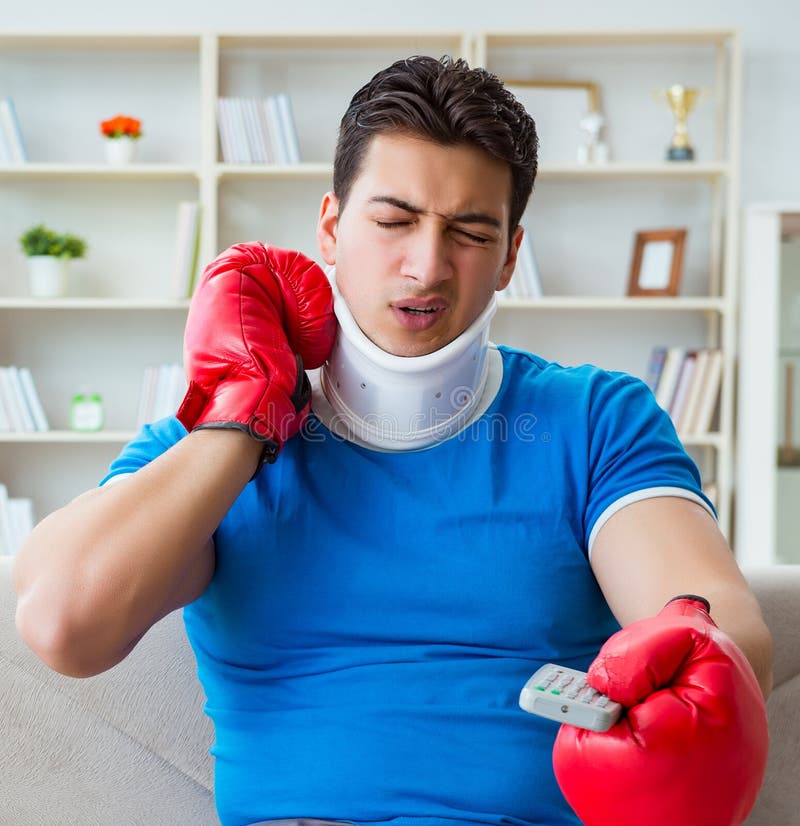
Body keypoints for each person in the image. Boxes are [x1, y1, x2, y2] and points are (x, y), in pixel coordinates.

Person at [15, 56, 771, 826]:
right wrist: (244, 417)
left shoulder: (592, 419)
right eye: (394, 220)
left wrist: (698, 661)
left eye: (470, 232)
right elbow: (64, 626)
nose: (427, 265)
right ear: (332, 229)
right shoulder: (203, 446)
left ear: (511, 255)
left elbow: (724, 631)